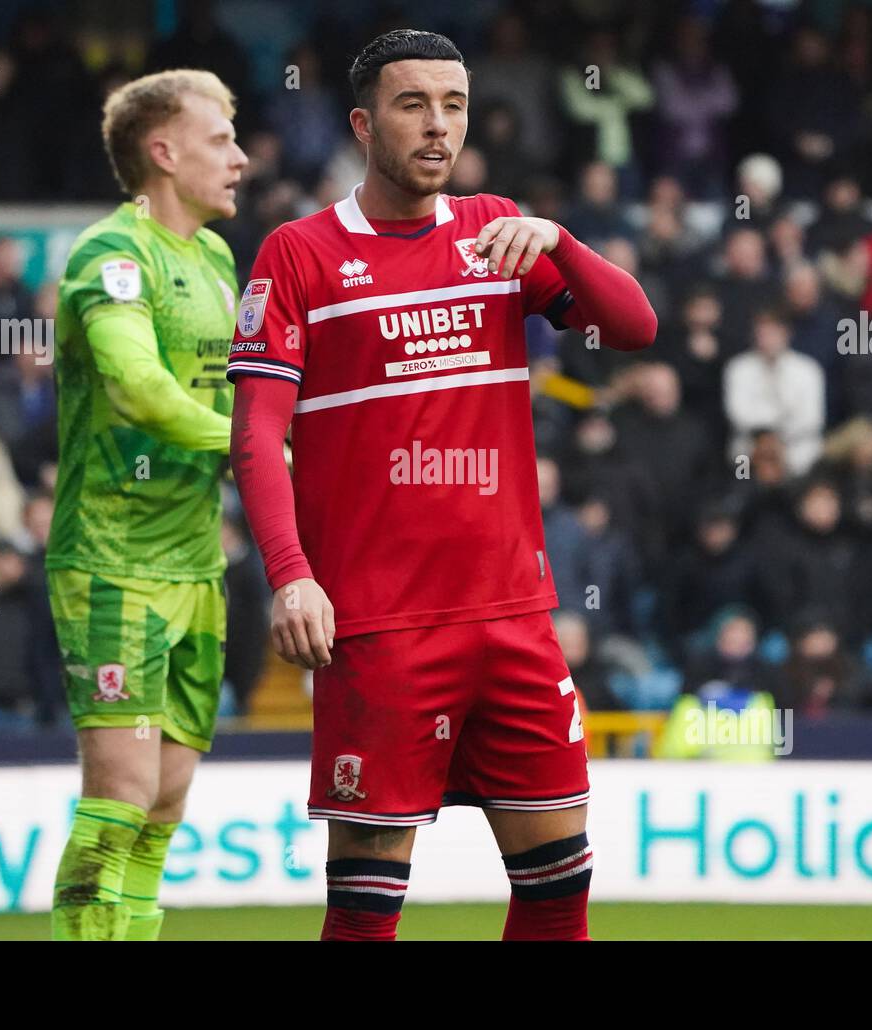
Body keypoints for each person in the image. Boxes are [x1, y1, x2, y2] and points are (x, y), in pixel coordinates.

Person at [227, 29, 656, 942]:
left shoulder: (497, 232)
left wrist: (563, 242)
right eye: (412, 104)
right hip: (379, 630)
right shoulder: (298, 255)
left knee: (557, 893)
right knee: (366, 912)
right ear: (362, 122)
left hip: (513, 618)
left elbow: (635, 326)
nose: (437, 126)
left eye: (453, 105)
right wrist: (290, 573)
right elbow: (258, 430)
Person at [45, 69, 248, 942]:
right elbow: (137, 387)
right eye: (220, 141)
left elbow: (234, 397)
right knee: (120, 797)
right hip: (111, 562)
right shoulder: (111, 258)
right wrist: (251, 449)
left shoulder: (215, 258)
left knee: (164, 805)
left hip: (197, 562)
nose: (240, 158)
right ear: (162, 154)